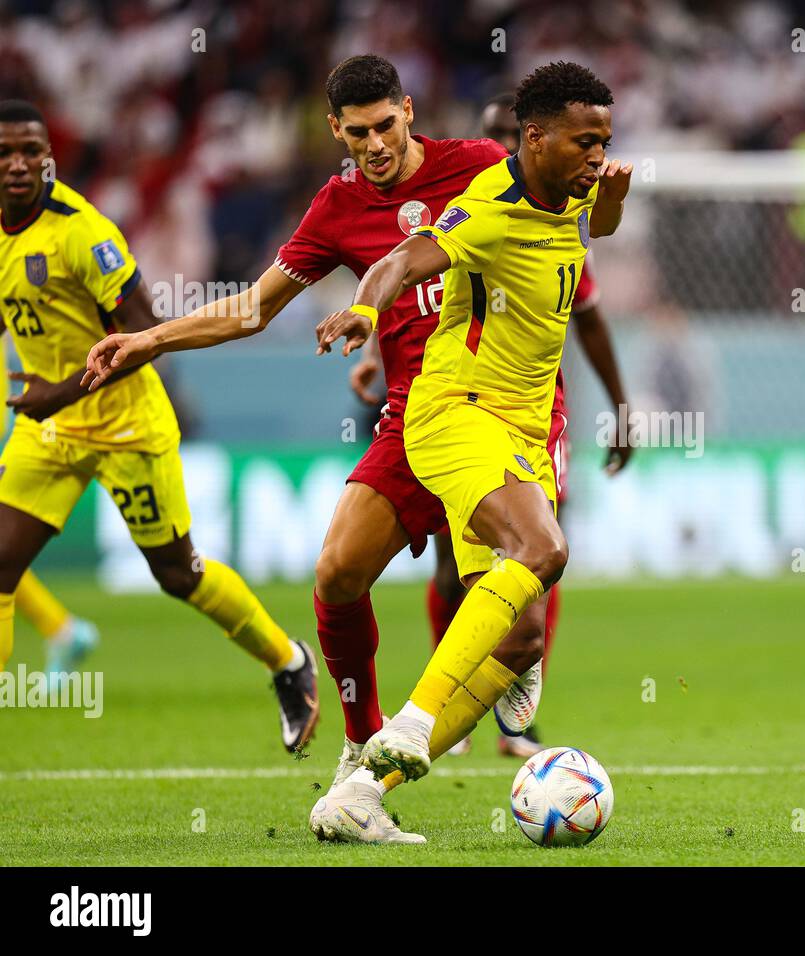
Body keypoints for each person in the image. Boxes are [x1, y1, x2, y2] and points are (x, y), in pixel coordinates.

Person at [83, 56, 558, 845]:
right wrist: (150, 339)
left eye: (387, 126)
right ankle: (357, 748)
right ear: (335, 129)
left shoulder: (475, 167)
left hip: (496, 413)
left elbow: (546, 227)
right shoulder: (337, 206)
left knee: (521, 631)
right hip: (414, 419)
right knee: (336, 571)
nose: (376, 144)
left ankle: (436, 726)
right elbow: (252, 309)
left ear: (410, 111)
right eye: (359, 131)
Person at [315, 61, 631, 796]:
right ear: (535, 137)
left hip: (522, 424)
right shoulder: (488, 207)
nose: (597, 154)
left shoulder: (570, 193)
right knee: (543, 549)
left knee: (519, 636)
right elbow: (402, 258)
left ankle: (362, 795)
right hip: (460, 412)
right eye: (586, 142)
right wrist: (366, 313)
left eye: (604, 141)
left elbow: (596, 237)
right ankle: (412, 725)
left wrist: (610, 199)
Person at [0, 99, 318, 751]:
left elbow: (145, 334)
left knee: (178, 574)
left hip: (126, 425)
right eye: (5, 152)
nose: (18, 164)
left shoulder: (82, 233)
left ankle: (288, 661)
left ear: (49, 157)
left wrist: (57, 392)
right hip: (51, 428)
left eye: (31, 150)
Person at [420, 92, 632, 758]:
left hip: (543, 414)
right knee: (462, 574)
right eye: (490, 138)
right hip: (459, 406)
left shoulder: (569, 212)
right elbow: (406, 279)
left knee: (541, 551)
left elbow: (590, 314)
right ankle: (443, 705)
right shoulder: (480, 209)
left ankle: (515, 705)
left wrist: (622, 407)